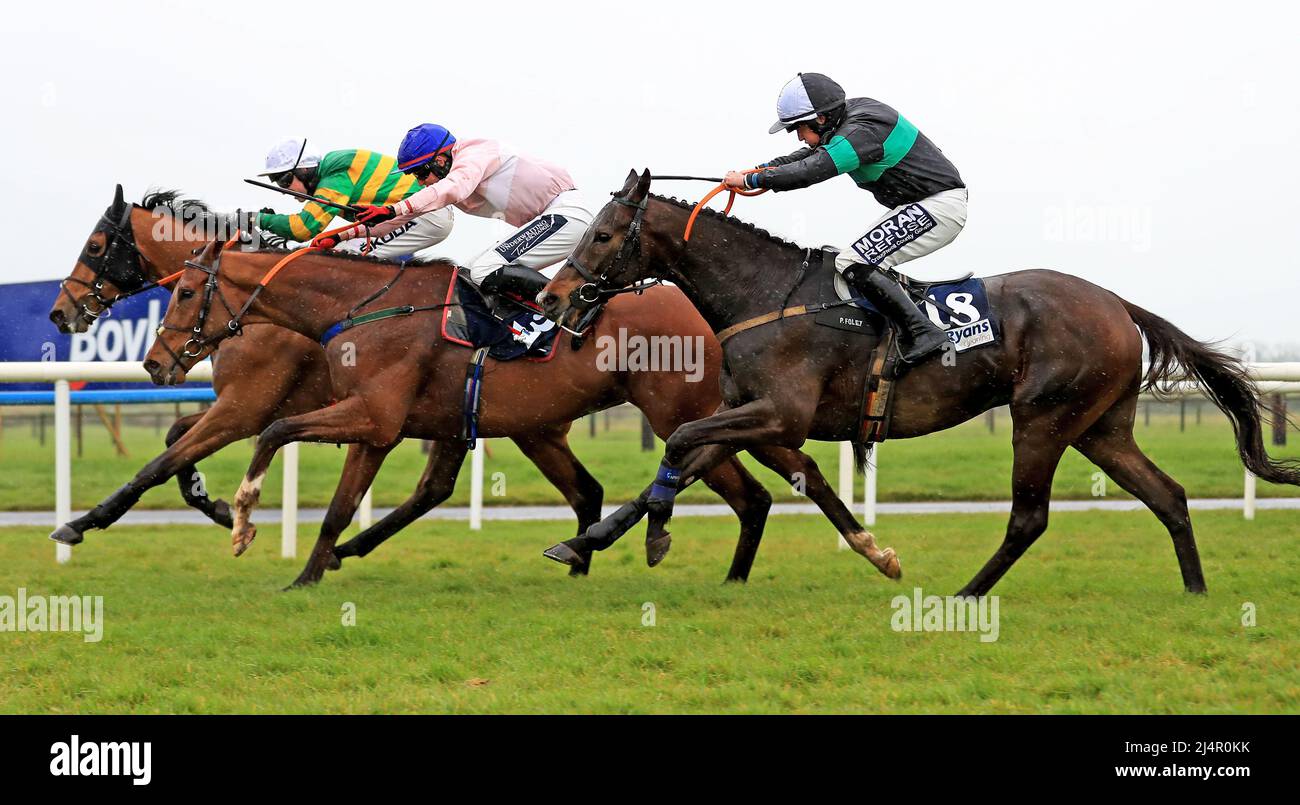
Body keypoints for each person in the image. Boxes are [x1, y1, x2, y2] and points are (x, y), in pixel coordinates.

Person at [724, 73, 968, 362]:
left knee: (853, 261)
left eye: (798, 128)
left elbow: (812, 169)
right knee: (851, 259)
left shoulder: (863, 132)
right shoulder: (850, 116)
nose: (800, 136)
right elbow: (806, 156)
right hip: (923, 205)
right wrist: (759, 170)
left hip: (939, 207)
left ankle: (924, 332)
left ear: (822, 119)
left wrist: (753, 181)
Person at [317, 124, 592, 301]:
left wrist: (392, 207)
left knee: (485, 269)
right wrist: (340, 236)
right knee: (471, 273)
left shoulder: (475, 153)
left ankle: (571, 303)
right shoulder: (447, 175)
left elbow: (454, 187)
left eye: (420, 172)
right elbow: (400, 218)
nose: (419, 182)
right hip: (552, 221)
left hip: (566, 214)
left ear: (440, 159)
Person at [254, 138, 453, 260]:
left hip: (425, 215)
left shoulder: (334, 173)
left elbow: (303, 228)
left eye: (284, 181)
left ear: (304, 170)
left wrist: (255, 219)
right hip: (414, 217)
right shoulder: (330, 177)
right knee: (333, 249)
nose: (283, 190)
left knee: (335, 259)